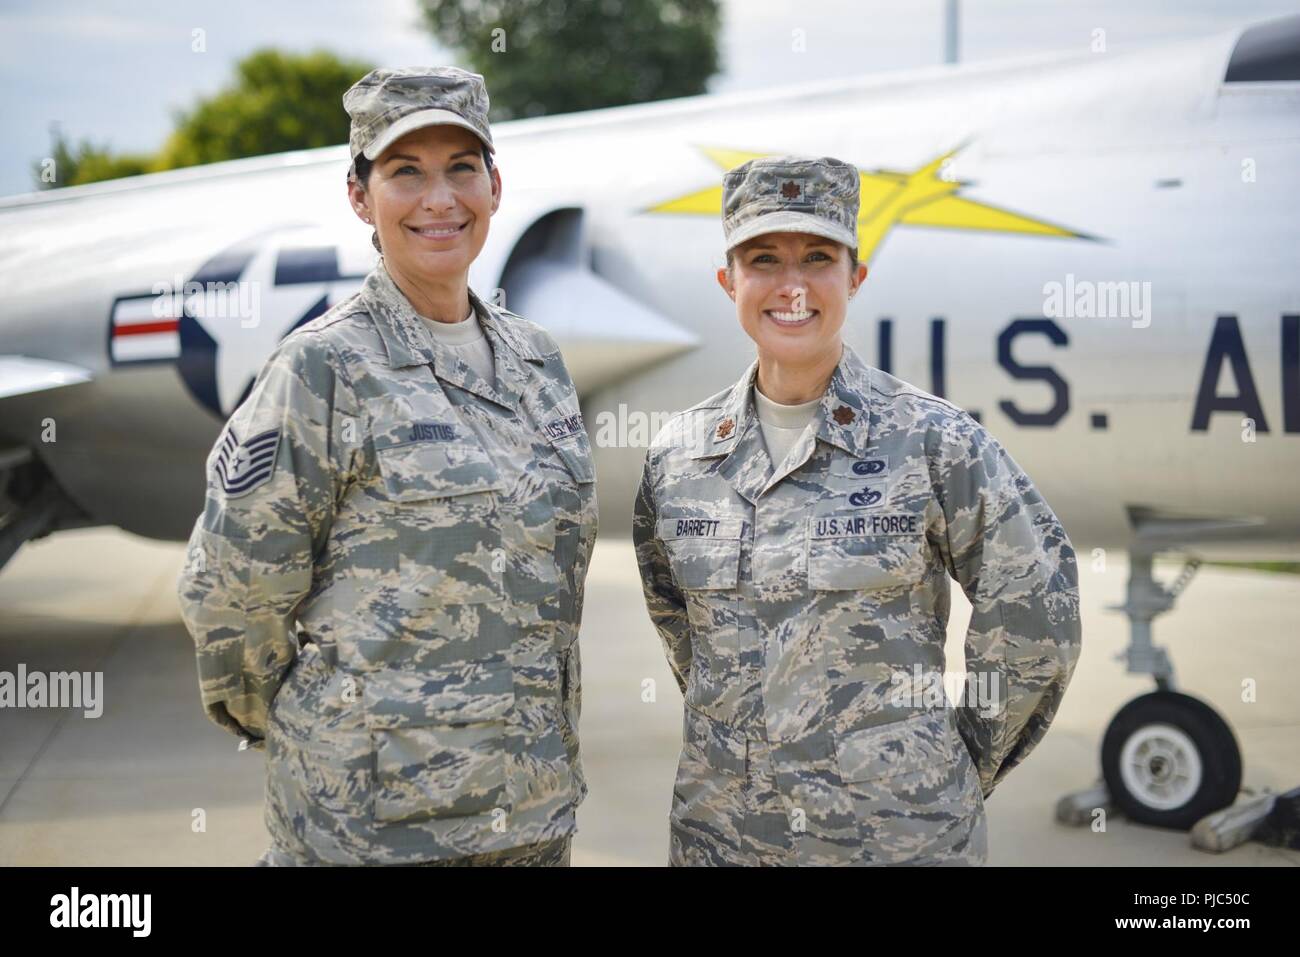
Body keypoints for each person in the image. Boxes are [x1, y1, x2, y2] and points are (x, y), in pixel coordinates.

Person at [176, 66, 597, 866]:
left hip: (530, 816)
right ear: (360, 197)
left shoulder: (537, 362)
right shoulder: (323, 367)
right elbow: (229, 587)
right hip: (369, 827)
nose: (439, 199)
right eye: (405, 172)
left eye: (460, 169)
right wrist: (314, 723)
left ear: (496, 186)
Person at [632, 155, 1082, 866]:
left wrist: (950, 764)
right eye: (763, 259)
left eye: (818, 258)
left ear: (855, 278)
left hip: (897, 838)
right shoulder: (678, 457)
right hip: (722, 837)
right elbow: (682, 630)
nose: (792, 285)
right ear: (729, 282)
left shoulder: (934, 442)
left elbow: (1035, 612)